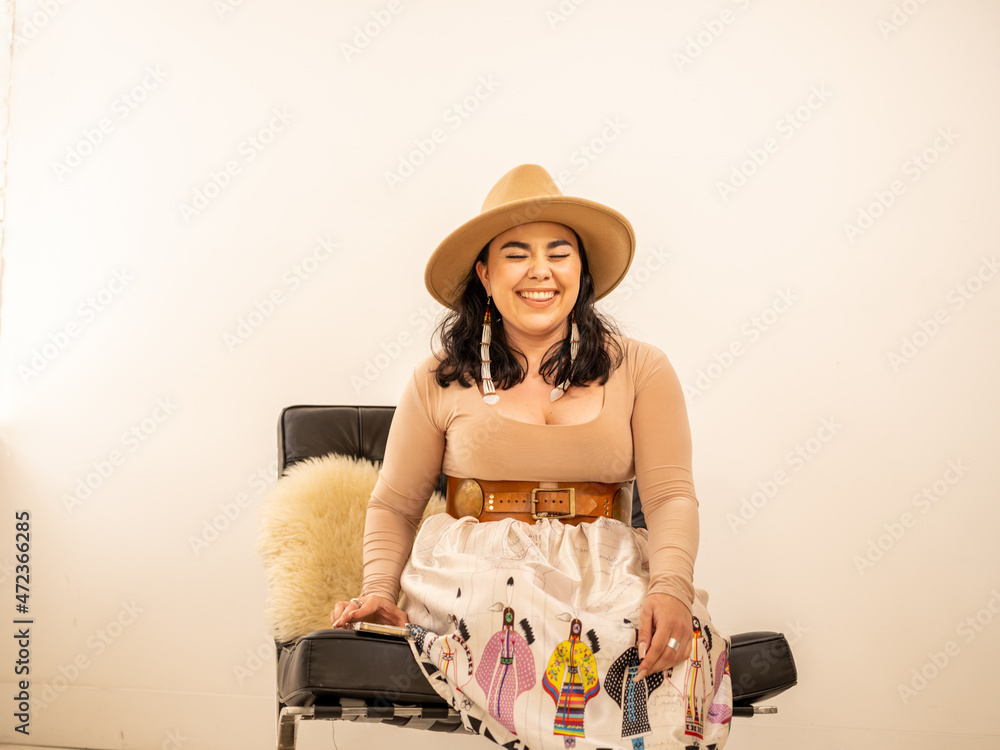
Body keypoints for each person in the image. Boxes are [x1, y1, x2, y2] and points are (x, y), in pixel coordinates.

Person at [331, 164, 731, 749]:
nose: (540, 271)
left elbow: (669, 495)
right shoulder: (436, 379)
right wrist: (377, 590)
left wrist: (670, 586)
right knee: (511, 606)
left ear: (581, 272)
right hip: (477, 572)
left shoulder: (642, 368)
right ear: (485, 274)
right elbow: (394, 504)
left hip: (602, 569)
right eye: (516, 254)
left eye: (559, 253)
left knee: (666, 641)